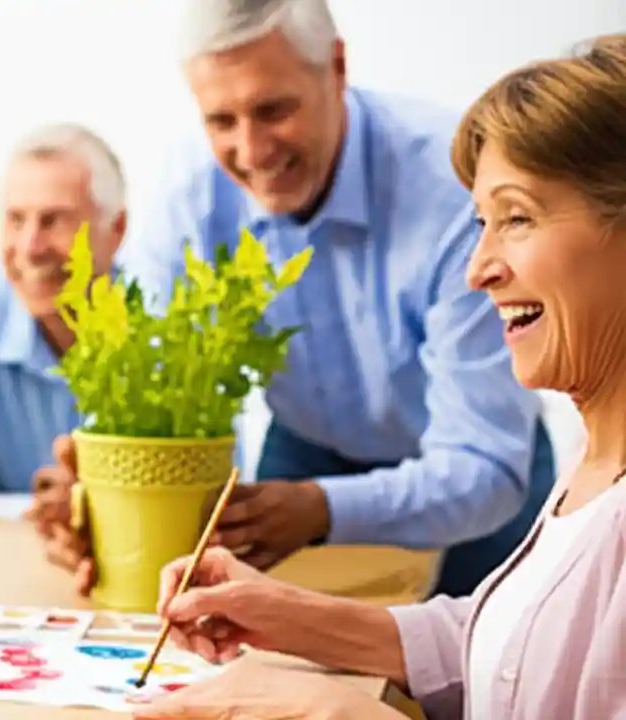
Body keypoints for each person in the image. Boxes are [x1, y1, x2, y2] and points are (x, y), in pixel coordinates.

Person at [133, 33, 626, 720]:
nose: (476, 269)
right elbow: (504, 645)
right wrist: (286, 614)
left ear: (336, 69)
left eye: (516, 218)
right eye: (483, 222)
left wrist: (342, 712)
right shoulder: (595, 470)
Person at [32, 0, 554, 598]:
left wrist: (321, 508)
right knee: (267, 666)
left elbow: (483, 467)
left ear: (336, 66)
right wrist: (103, 498)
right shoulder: (190, 191)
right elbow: (154, 389)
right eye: (221, 121)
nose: (252, 152)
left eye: (273, 110)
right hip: (303, 458)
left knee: (476, 680)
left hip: (476, 491)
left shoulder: (453, 185)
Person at [0, 123, 126, 494]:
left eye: (54, 221)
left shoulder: (170, 333)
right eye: (15, 220)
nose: (30, 247)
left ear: (116, 229)